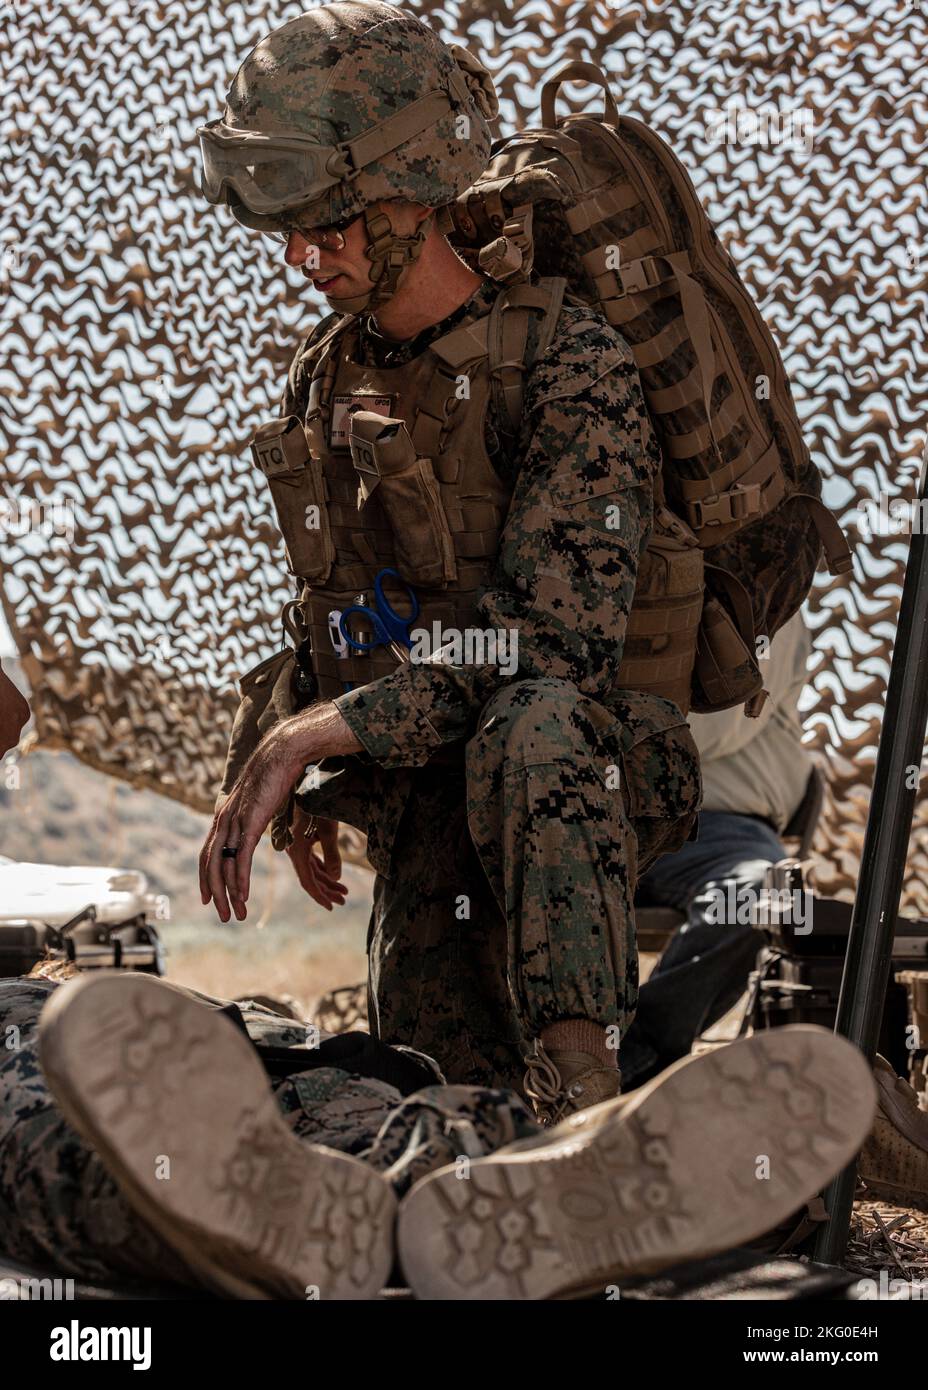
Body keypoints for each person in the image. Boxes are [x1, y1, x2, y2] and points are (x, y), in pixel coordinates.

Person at [196, 1, 701, 1123]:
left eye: (327, 226)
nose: (299, 257)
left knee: (534, 717)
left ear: (409, 202)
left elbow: (552, 642)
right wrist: (294, 761)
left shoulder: (570, 362)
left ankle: (588, 1079)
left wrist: (322, 731)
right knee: (441, 1108)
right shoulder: (329, 376)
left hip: (579, 782)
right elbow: (334, 605)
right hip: (432, 789)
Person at [0, 969, 876, 1300]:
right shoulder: (174, 1016)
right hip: (305, 1077)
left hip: (240, 1088)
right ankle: (506, 1168)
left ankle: (283, 1227)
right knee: (423, 1131)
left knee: (66, 1154)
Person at [622, 613, 814, 1087]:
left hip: (719, 829)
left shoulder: (770, 595)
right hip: (596, 818)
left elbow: (711, 727)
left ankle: (634, 1061)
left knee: (761, 893)